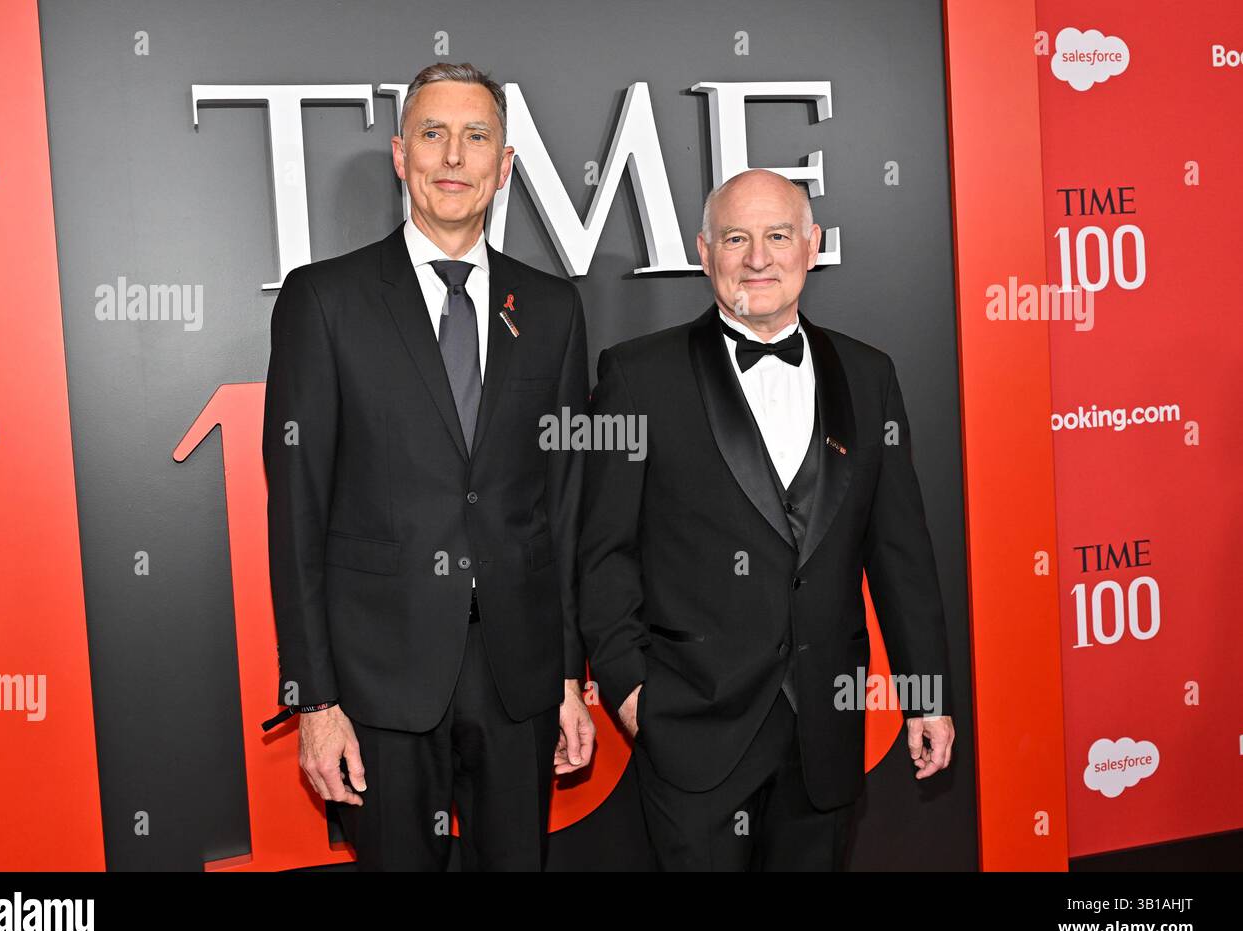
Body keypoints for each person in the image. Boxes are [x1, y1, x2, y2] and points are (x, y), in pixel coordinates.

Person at [262, 62, 594, 871]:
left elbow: (566, 504)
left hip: (518, 677)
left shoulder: (551, 310)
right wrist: (316, 698)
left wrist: (568, 679)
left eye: (477, 136)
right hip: (377, 678)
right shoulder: (324, 301)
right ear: (399, 155)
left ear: (505, 164)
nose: (455, 156)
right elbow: (296, 510)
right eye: (433, 134)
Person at [578, 168, 954, 871]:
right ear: (703, 250)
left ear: (811, 246)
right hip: (692, 731)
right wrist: (632, 693)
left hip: (826, 735)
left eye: (778, 236)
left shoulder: (870, 375)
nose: (758, 258)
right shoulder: (639, 376)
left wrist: (926, 695)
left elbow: (901, 553)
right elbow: (602, 552)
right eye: (736, 238)